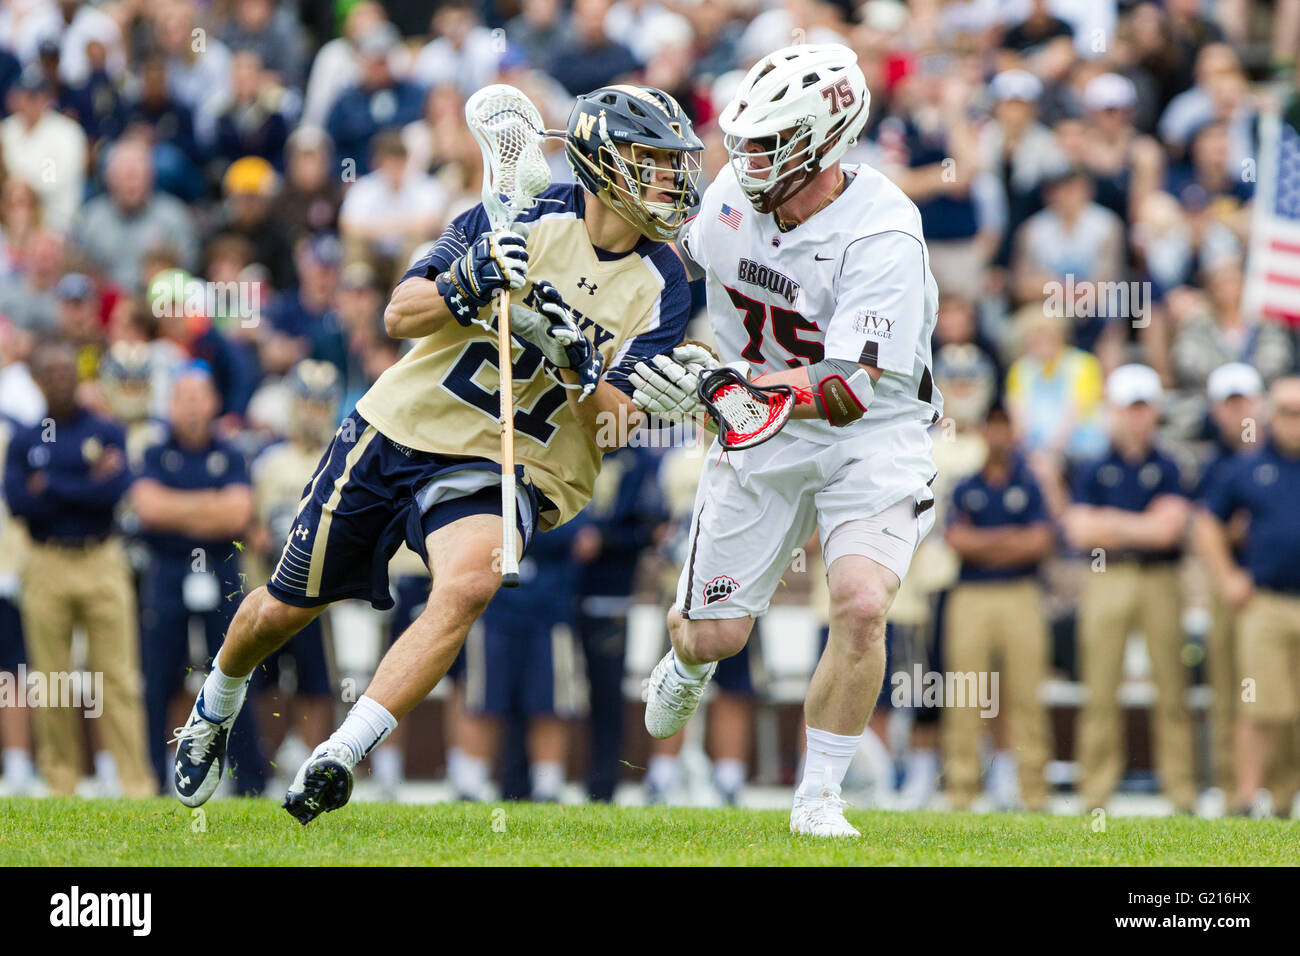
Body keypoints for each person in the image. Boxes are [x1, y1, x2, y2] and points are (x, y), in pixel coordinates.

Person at [169, 84, 704, 823]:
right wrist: (471, 279)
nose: (671, 182)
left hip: (510, 463)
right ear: (603, 161)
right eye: (653, 163)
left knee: (471, 582)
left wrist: (577, 364)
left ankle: (341, 752)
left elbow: (617, 427)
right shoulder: (519, 211)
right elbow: (398, 312)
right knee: (283, 611)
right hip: (401, 427)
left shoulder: (666, 284)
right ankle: (214, 707)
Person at [633, 43, 942, 837]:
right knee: (716, 634)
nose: (744, 156)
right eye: (744, 138)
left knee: (863, 602)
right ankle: (688, 660)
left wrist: (730, 386)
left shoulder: (883, 233)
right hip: (755, 423)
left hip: (871, 427)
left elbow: (845, 390)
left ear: (825, 140)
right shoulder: (731, 197)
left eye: (769, 142)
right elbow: (656, 259)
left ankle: (820, 795)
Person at [3, 338, 154, 796]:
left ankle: (135, 783)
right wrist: (83, 484)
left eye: (67, 373)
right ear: (38, 380)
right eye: (50, 374)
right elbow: (19, 502)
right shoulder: (27, 438)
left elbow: (113, 491)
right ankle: (60, 781)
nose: (60, 381)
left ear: (79, 376)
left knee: (119, 677)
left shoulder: (106, 430)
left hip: (101, 557)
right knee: (50, 679)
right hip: (46, 560)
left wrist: (52, 486)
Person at [1062, 363, 1195, 814]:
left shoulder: (1170, 465)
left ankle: (1182, 793)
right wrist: (1142, 525)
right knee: (1100, 687)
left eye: (1144, 408)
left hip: (1159, 578)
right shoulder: (1096, 465)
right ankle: (1094, 793)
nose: (1138, 417)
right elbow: (1080, 531)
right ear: (1114, 411)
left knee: (1171, 688)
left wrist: (1110, 526)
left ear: (1154, 411)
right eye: (1129, 408)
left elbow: (1169, 532)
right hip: (1108, 576)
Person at [131, 363, 265, 796]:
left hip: (221, 570)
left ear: (213, 402)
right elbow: (147, 509)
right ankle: (153, 775)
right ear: (170, 404)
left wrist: (179, 510)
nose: (190, 406)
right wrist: (209, 504)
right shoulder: (154, 452)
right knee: (159, 674)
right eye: (182, 397)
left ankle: (248, 779)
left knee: (232, 669)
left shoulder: (230, 452)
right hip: (167, 570)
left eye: (198, 397)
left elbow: (238, 514)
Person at [942, 401, 1055, 811]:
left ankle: (1033, 794)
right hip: (972, 595)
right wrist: (1012, 541)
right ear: (983, 432)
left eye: (1005, 427)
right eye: (992, 426)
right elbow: (956, 541)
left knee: (1026, 695)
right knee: (966, 696)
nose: (998, 435)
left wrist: (985, 545)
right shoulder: (966, 485)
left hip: (1020, 593)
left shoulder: (1030, 483)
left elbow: (1042, 542)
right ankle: (961, 792)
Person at [1198, 376, 1300, 817]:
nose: (1295, 422)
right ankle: (1244, 799)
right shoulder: (1248, 466)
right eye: (1287, 412)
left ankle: (1285, 800)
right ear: (1270, 416)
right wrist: (1226, 576)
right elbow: (1205, 521)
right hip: (1267, 601)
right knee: (1258, 704)